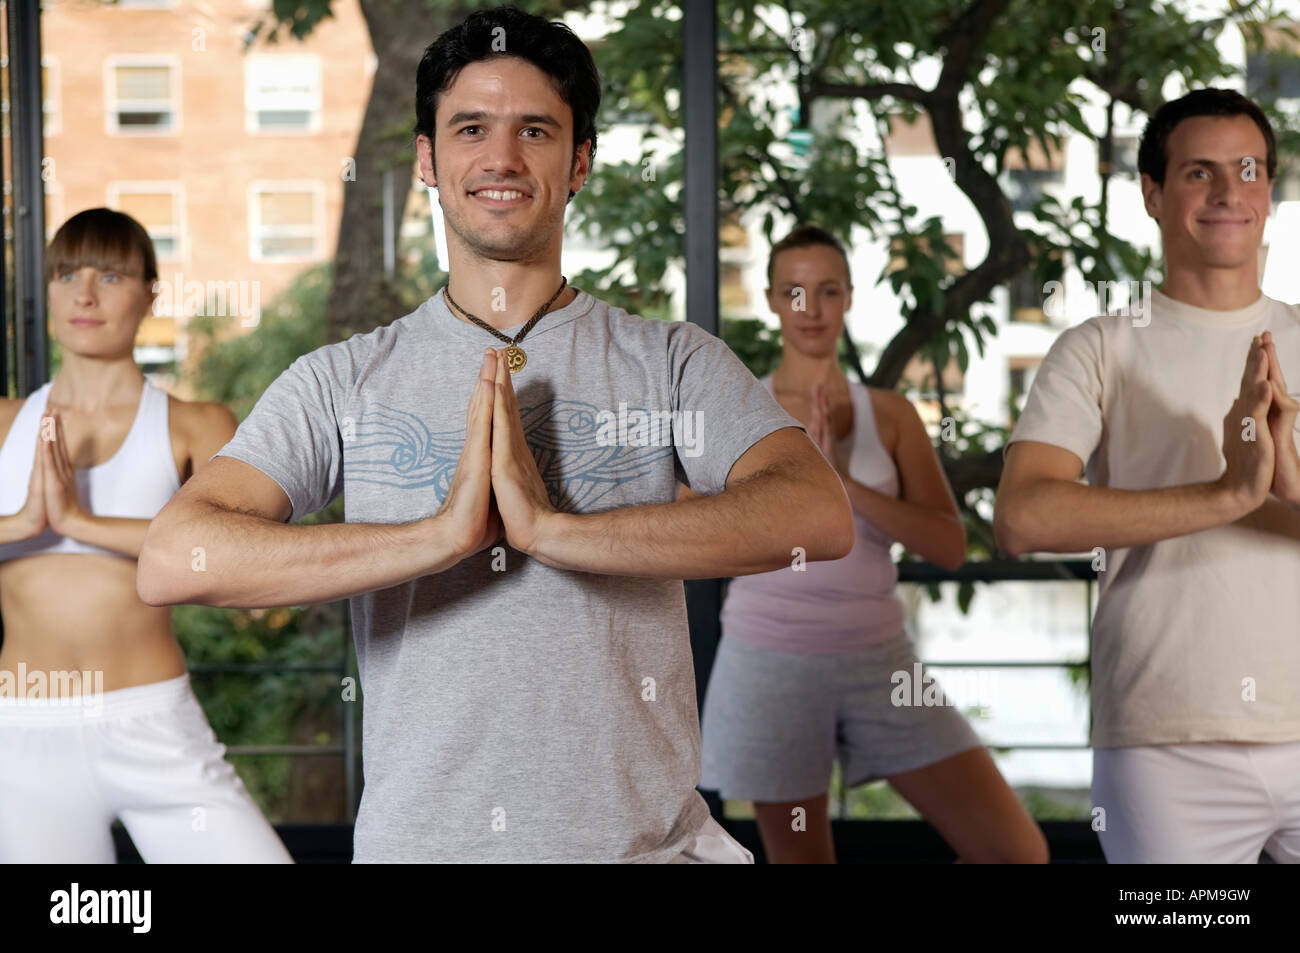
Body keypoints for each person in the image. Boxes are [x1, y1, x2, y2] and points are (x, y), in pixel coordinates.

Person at [137, 6, 853, 864]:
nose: (502, 159)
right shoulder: (342, 378)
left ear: (579, 161)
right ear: (429, 161)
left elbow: (816, 515)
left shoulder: (670, 361)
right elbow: (176, 556)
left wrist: (556, 532)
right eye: (471, 128)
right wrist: (438, 537)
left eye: (536, 131)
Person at [995, 87, 1300, 863]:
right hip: (1164, 738)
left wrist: (1286, 487)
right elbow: (1024, 517)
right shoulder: (1099, 347)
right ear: (1154, 195)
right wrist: (1226, 493)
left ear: (1270, 189)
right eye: (1201, 173)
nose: (1230, 192)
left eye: (1249, 169)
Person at [698, 225, 1048, 863]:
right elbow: (707, 535)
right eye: (794, 292)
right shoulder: (740, 408)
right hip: (771, 662)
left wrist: (845, 485)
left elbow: (947, 544)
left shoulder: (891, 414)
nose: (811, 309)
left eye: (827, 291)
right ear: (773, 301)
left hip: (880, 660)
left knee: (1017, 853)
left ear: (850, 298)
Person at [0, 208, 292, 863]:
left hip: (153, 722)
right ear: (45, 291)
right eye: (67, 274)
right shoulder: (3, 422)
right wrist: (21, 522)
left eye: (110, 274)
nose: (84, 293)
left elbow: (252, 578)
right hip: (23, 730)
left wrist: (80, 523)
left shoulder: (197, 425)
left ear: (150, 294)